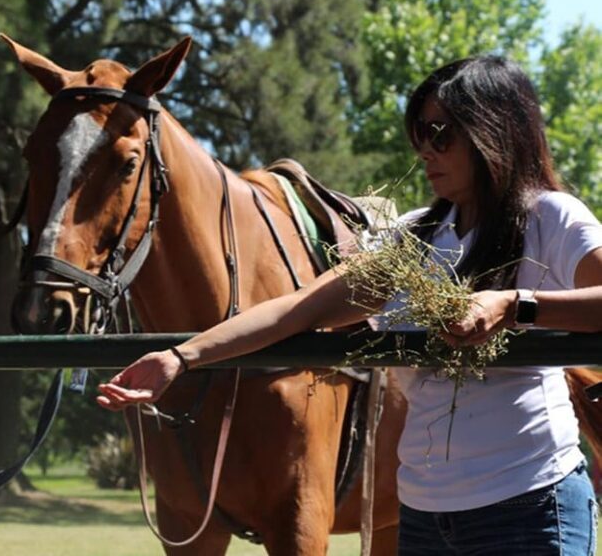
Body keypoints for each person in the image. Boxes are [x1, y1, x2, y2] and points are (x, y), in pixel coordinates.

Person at [97, 56, 602, 554]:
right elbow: (297, 310)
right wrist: (181, 357)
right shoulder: (413, 239)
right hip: (425, 518)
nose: (425, 151)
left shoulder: (549, 218)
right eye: (419, 135)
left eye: (440, 134)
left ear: (494, 130)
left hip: (528, 507)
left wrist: (516, 306)